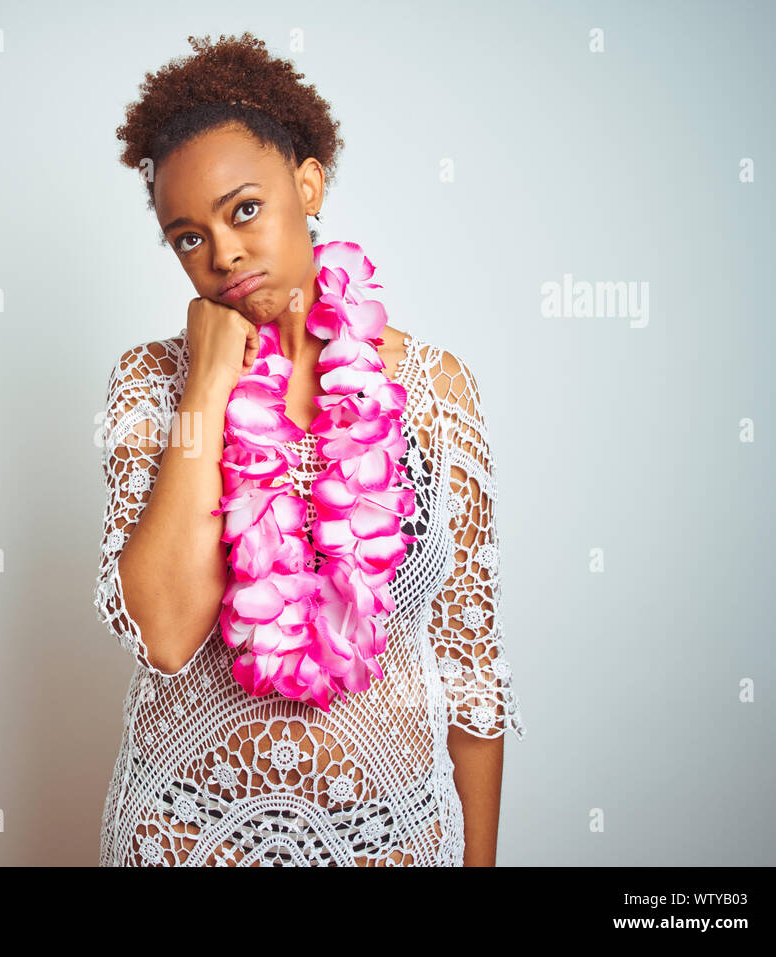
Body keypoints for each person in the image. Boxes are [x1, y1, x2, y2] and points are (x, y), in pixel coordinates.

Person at [94, 32, 524, 867]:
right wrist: (208, 386)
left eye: (242, 209)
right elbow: (168, 633)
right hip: (184, 838)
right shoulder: (150, 387)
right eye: (187, 236)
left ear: (309, 181)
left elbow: (475, 673)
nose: (220, 253)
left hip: (390, 843)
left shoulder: (435, 392)